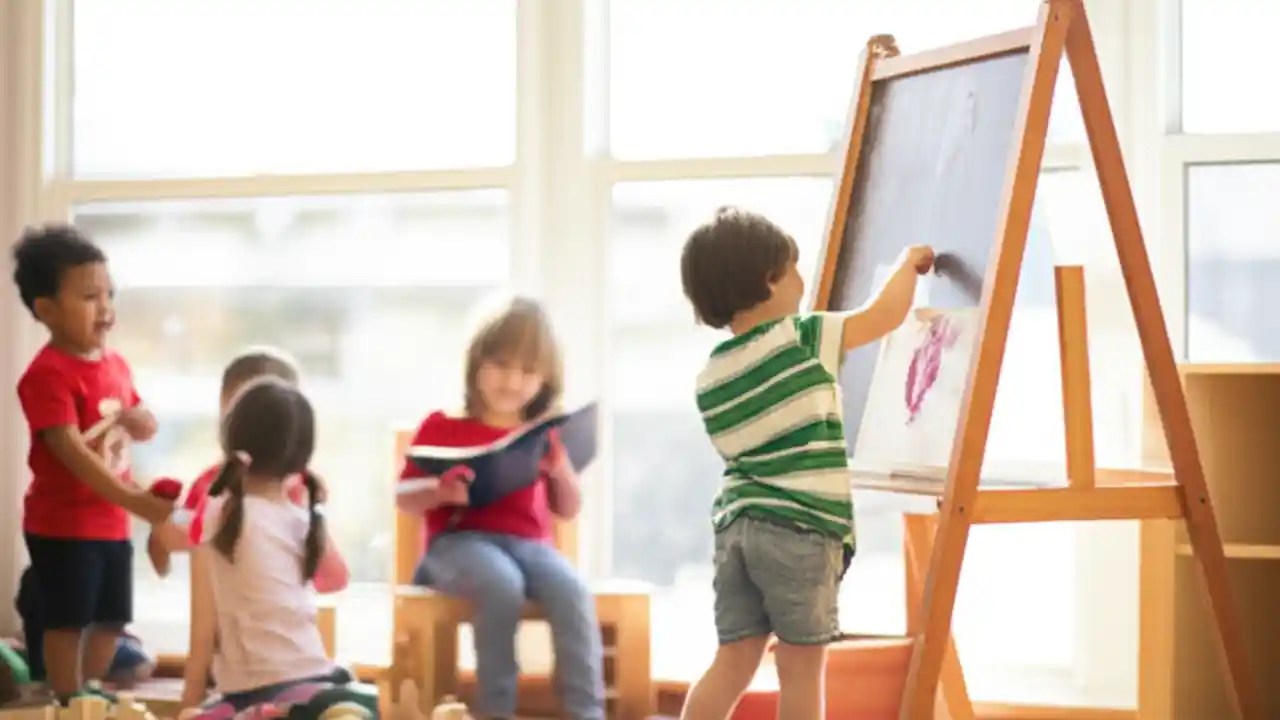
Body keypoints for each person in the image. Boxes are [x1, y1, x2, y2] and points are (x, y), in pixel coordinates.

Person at [677, 207, 933, 720]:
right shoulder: (803, 337)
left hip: (736, 528)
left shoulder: (712, 374)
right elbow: (881, 318)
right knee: (801, 666)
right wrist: (908, 267)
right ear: (769, 281)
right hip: (799, 529)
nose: (802, 280)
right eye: (793, 268)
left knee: (733, 660)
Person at [397, 296, 604, 720]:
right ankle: (496, 711)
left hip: (529, 547)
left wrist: (561, 470)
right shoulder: (441, 425)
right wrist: (440, 490)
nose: (511, 381)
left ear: (545, 379)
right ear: (477, 363)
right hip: (456, 547)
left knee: (573, 589)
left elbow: (567, 508)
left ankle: (586, 712)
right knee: (499, 583)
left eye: (527, 372)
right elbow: (404, 496)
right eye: (501, 365)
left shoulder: (541, 434)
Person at [11, 224, 174, 702]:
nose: (105, 307)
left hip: (111, 523)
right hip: (63, 524)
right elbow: (72, 452)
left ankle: (90, 689)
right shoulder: (46, 375)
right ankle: (66, 697)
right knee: (68, 619)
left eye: (108, 293)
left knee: (112, 617)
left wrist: (142, 421)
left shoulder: (115, 365)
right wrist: (135, 501)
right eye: (88, 296)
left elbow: (131, 419)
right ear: (47, 310)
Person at [180, 377, 358, 719]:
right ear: (301, 458)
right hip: (313, 679)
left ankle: (266, 713)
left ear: (230, 439)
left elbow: (182, 526)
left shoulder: (220, 511)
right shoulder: (301, 520)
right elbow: (337, 579)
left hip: (244, 692)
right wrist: (312, 505)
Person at [146, 347, 303, 577]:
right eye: (240, 418)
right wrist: (161, 520)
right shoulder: (210, 484)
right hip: (218, 610)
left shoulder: (299, 489)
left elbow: (322, 574)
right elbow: (168, 552)